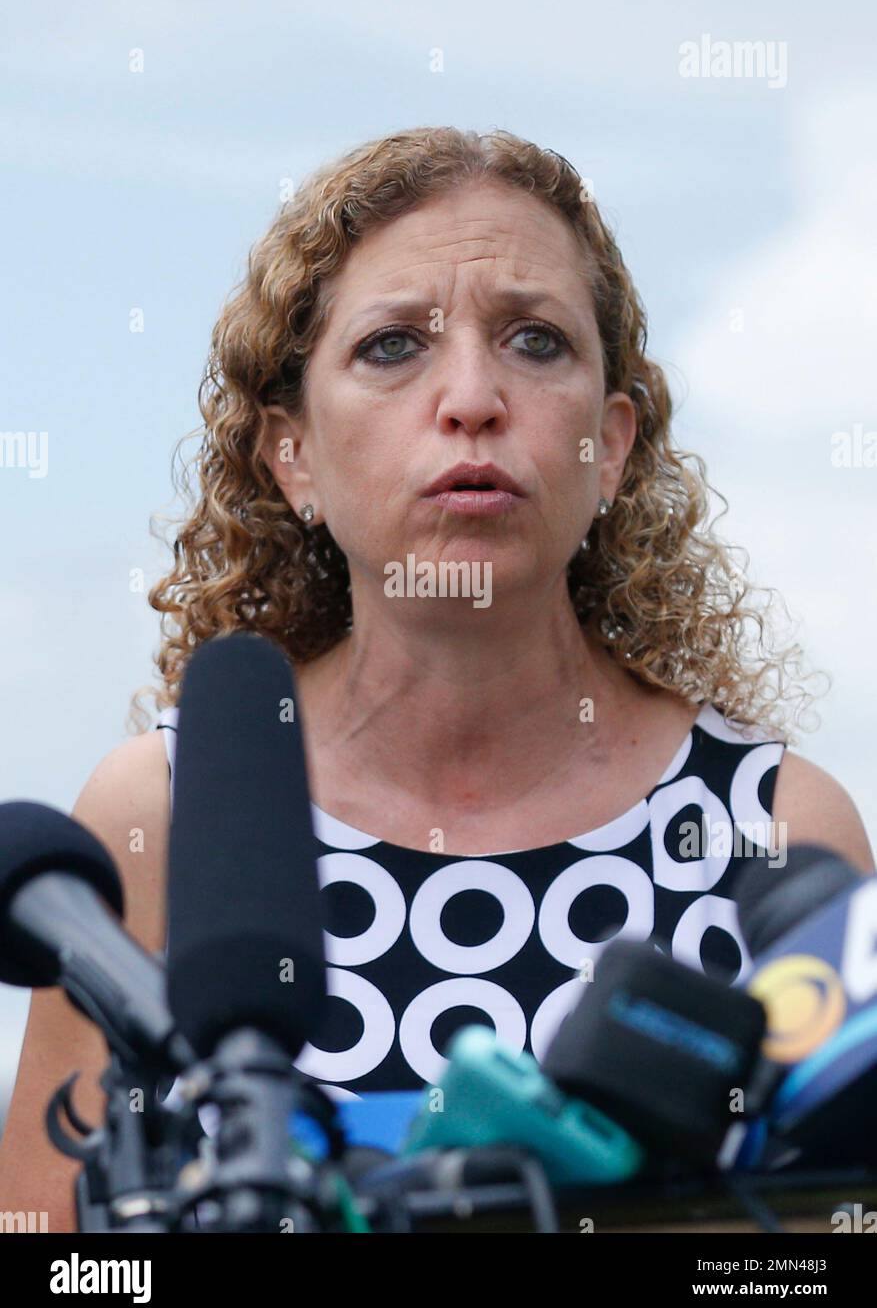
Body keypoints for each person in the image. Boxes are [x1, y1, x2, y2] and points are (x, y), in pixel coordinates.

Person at [1, 126, 872, 1229]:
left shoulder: (776, 828)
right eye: (391, 347)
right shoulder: (158, 818)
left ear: (610, 445)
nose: (471, 395)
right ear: (293, 453)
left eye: (536, 341)